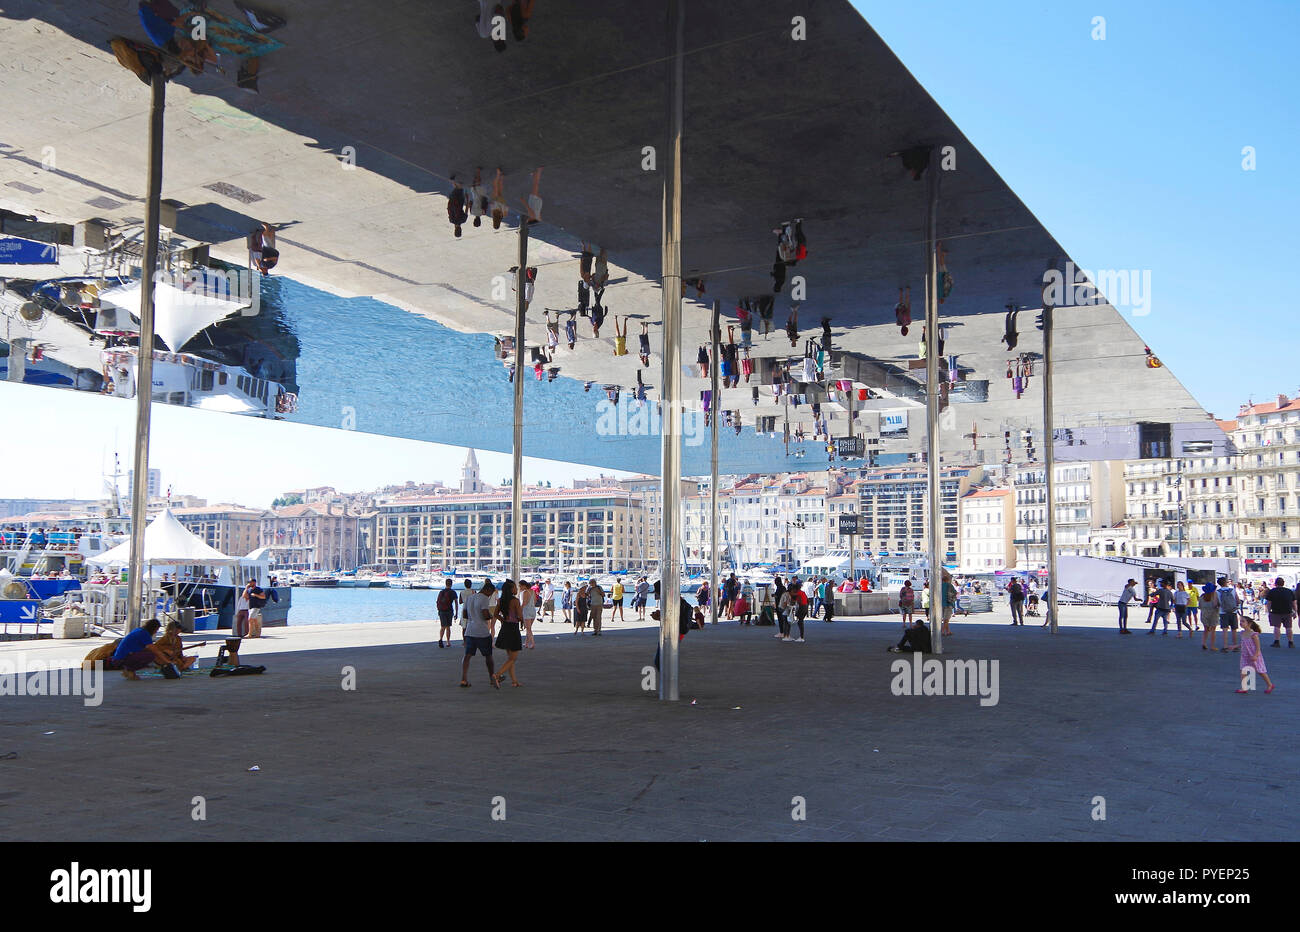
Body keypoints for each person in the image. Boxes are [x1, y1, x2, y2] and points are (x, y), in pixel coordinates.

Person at [459, 579, 498, 688]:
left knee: (467, 655)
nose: (490, 595)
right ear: (488, 590)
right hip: (482, 631)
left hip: (469, 630)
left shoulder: (470, 597)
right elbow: (485, 613)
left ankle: (463, 679)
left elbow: (465, 614)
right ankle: (491, 678)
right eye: (491, 593)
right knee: (488, 656)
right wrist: (491, 616)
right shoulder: (484, 598)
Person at [651, 600, 704, 672]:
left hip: (673, 633)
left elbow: (671, 620)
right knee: (669, 652)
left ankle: (666, 671)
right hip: (679, 632)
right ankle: (667, 669)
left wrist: (659, 617)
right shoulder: (683, 605)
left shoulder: (675, 606)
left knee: (661, 657)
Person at [492, 580, 524, 687]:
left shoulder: (501, 600)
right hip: (513, 629)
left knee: (510, 658)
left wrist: (502, 619)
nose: (516, 589)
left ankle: (514, 681)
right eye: (515, 587)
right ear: (511, 589)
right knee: (513, 658)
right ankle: (497, 675)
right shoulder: (515, 601)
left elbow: (495, 613)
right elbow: (519, 616)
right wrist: (520, 619)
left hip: (505, 628)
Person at [1236, 618, 1275, 694]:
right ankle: (1244, 687)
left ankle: (1270, 685)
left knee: (1260, 671)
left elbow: (1258, 647)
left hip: (1254, 655)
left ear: (1249, 624)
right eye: (1240, 621)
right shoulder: (1242, 633)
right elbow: (1244, 644)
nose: (1241, 623)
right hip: (1245, 655)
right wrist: (1235, 646)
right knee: (1243, 670)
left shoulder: (1253, 634)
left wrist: (1256, 655)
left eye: (1243, 621)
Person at [1263, 576, 1295, 648]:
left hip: (1275, 611)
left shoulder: (1272, 591)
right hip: (1288, 611)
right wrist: (1295, 611)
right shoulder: (1289, 591)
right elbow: (1293, 602)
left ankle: (1277, 642)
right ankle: (1291, 642)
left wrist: (1269, 611)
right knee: (1289, 627)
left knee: (1277, 627)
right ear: (1283, 583)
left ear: (1275, 584)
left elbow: (1269, 602)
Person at [1216, 577, 1240, 652]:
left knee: (1225, 630)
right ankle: (1235, 646)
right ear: (1226, 582)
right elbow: (1238, 601)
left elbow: (1216, 603)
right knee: (1234, 630)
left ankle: (1225, 646)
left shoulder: (1217, 592)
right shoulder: (1232, 590)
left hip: (1223, 612)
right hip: (1233, 612)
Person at [436, 578, 457, 647]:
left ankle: (441, 639)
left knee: (442, 626)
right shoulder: (453, 592)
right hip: (449, 611)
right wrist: (456, 613)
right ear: (451, 584)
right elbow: (456, 603)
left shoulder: (441, 592)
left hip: (441, 611)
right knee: (448, 627)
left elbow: (438, 602)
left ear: (445, 584)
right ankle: (448, 642)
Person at [1200, 582, 1220, 651]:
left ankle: (1204, 643)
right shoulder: (1215, 596)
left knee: (1206, 629)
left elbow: (1200, 606)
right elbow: (1216, 605)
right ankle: (1212, 646)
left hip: (1204, 614)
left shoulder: (1202, 597)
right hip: (1213, 614)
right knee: (1213, 630)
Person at [519, 578, 538, 649]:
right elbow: (535, 600)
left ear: (524, 586)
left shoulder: (525, 593)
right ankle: (526, 643)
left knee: (528, 629)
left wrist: (519, 611)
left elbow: (524, 603)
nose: (519, 587)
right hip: (533, 610)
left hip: (526, 611)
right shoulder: (532, 591)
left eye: (520, 586)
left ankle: (532, 643)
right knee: (528, 628)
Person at [939, 570, 957, 638]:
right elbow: (954, 593)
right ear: (948, 580)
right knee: (946, 619)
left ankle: (948, 631)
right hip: (948, 604)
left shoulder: (939, 586)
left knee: (944, 618)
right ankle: (942, 631)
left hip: (940, 604)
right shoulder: (949, 585)